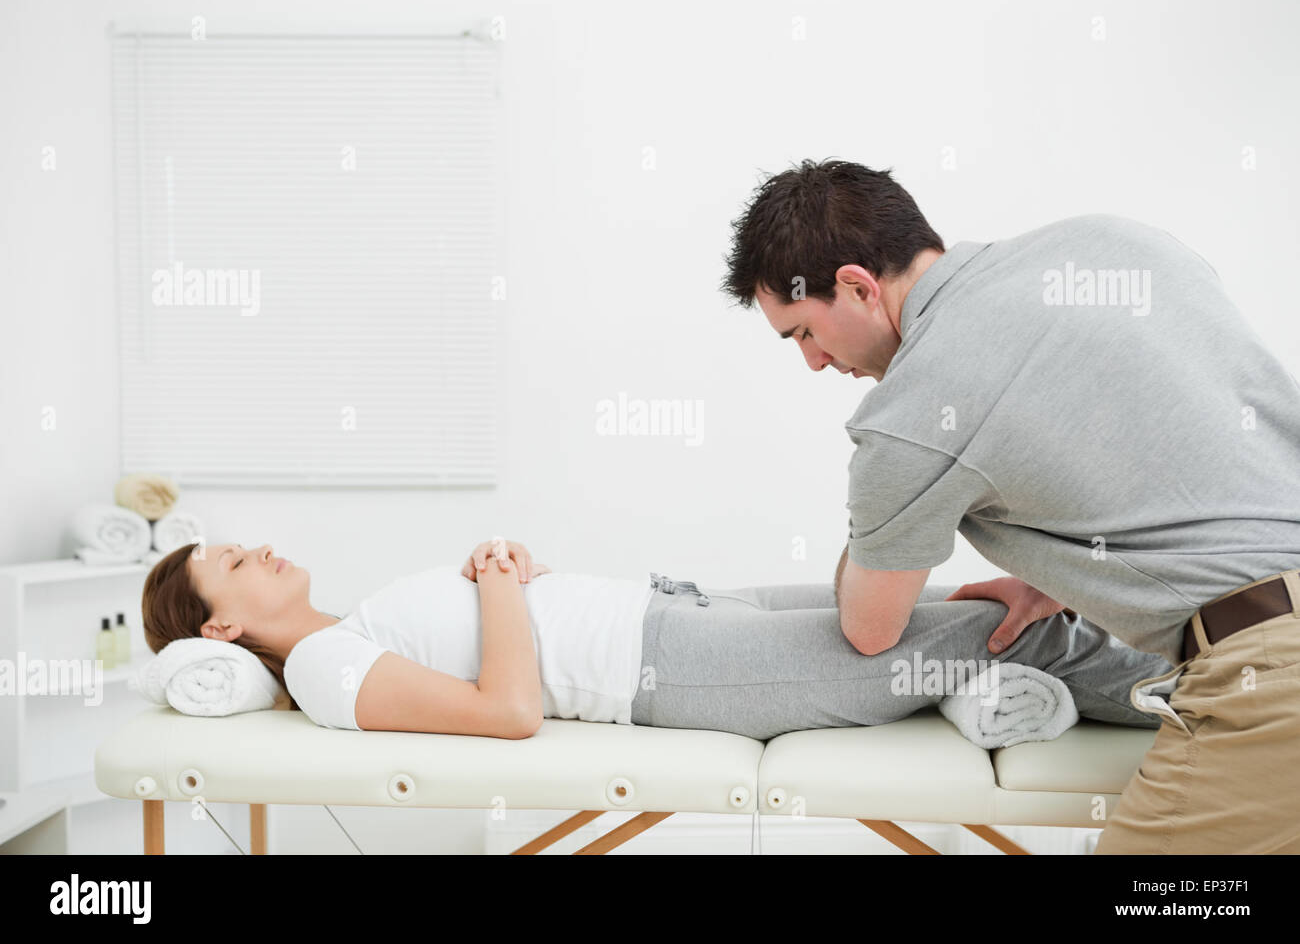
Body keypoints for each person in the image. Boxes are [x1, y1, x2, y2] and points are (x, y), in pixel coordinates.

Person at [720, 158, 1300, 853]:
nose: (813, 362)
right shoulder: (1114, 244)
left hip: (1270, 674)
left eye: (805, 333)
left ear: (857, 287)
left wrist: (885, 500)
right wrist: (1067, 571)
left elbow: (870, 628)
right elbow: (1175, 421)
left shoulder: (915, 407)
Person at [140, 538, 1168, 743]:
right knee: (1007, 628)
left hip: (679, 611)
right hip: (677, 670)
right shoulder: (322, 667)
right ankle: (1237, 687)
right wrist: (499, 586)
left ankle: (1216, 658)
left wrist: (509, 577)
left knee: (958, 594)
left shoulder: (351, 623)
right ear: (221, 625)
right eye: (233, 562)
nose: (260, 548)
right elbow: (508, 711)